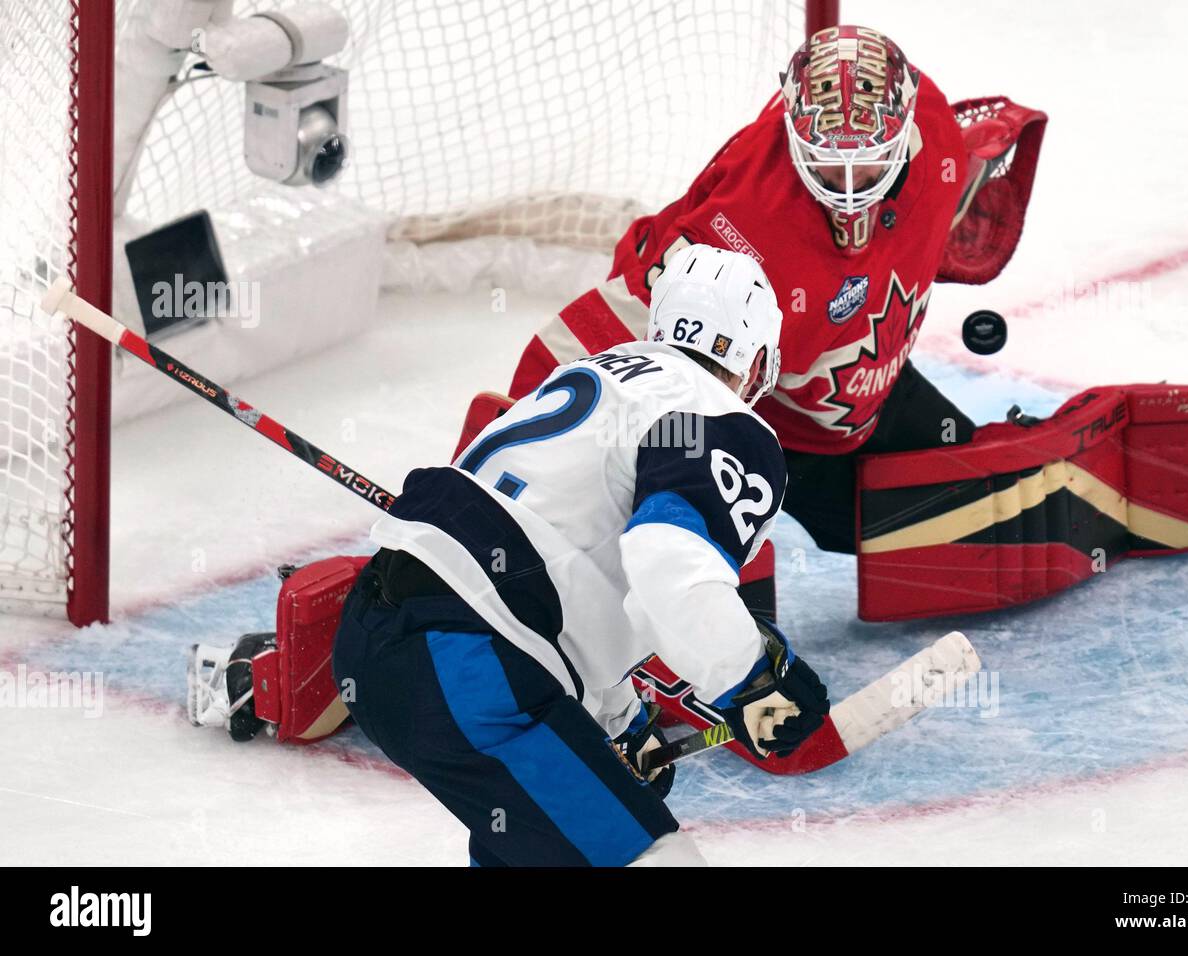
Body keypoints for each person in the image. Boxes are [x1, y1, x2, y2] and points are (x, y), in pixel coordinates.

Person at [331, 245, 830, 866]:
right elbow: (667, 563)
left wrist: (617, 718)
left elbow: (573, 558)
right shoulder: (717, 415)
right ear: (757, 359)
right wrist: (753, 677)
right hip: (471, 661)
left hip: (381, 644)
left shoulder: (602, 371)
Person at [505, 24, 1049, 556]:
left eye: (868, 161)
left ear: (905, 125)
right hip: (776, 429)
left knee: (982, 504)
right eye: (829, 165)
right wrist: (509, 441)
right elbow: (602, 337)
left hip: (868, 387)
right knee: (695, 558)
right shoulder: (743, 234)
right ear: (793, 134)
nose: (851, 188)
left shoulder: (931, 120)